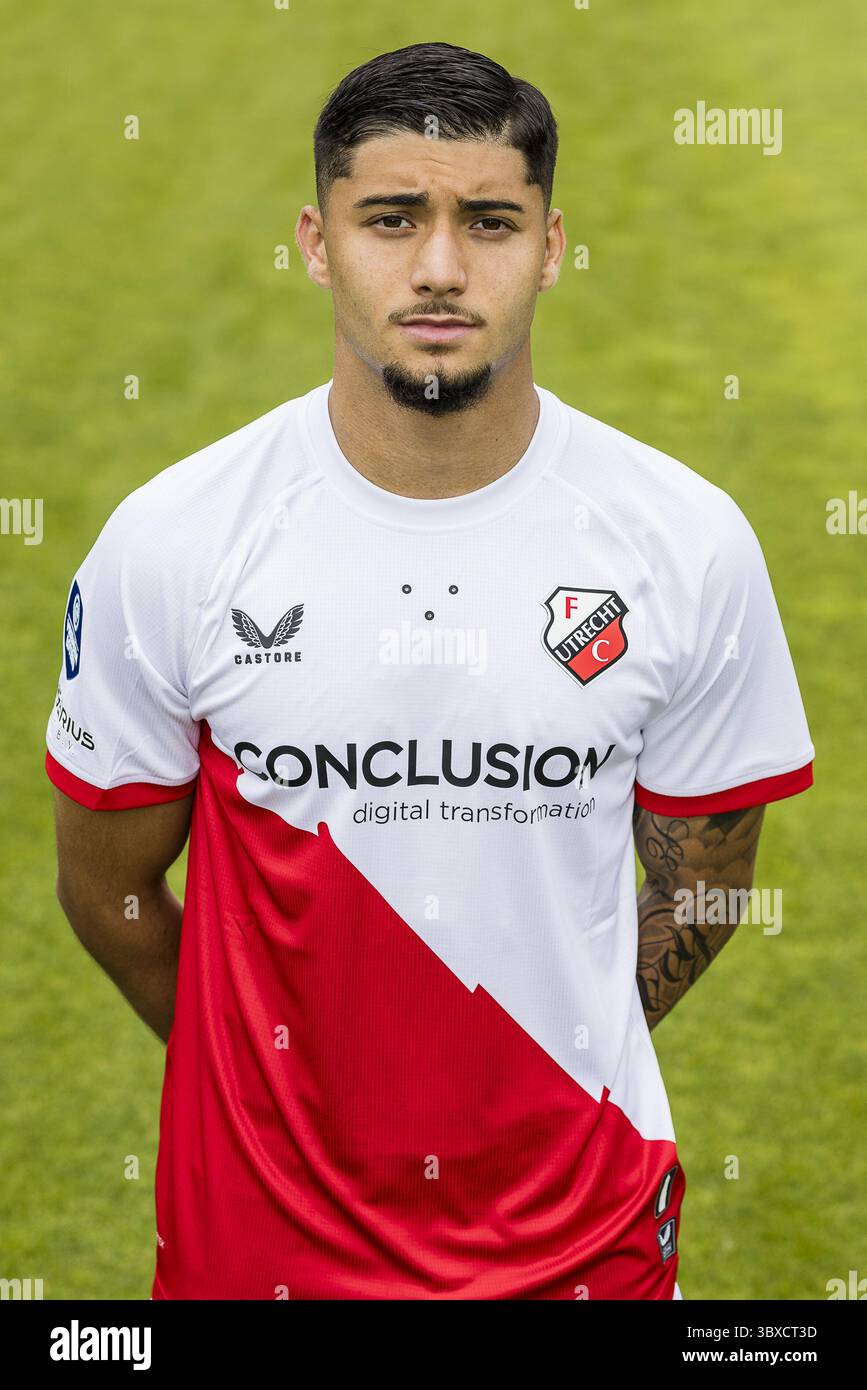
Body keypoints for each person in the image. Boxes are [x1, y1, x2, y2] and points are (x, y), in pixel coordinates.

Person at [45, 41, 814, 1300]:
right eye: (391, 219)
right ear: (315, 239)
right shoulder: (173, 540)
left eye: (491, 222)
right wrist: (259, 1089)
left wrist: (545, 1067)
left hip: (582, 1242)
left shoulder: (685, 544)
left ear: (553, 247)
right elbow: (107, 887)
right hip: (259, 1248)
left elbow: (711, 880)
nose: (442, 268)